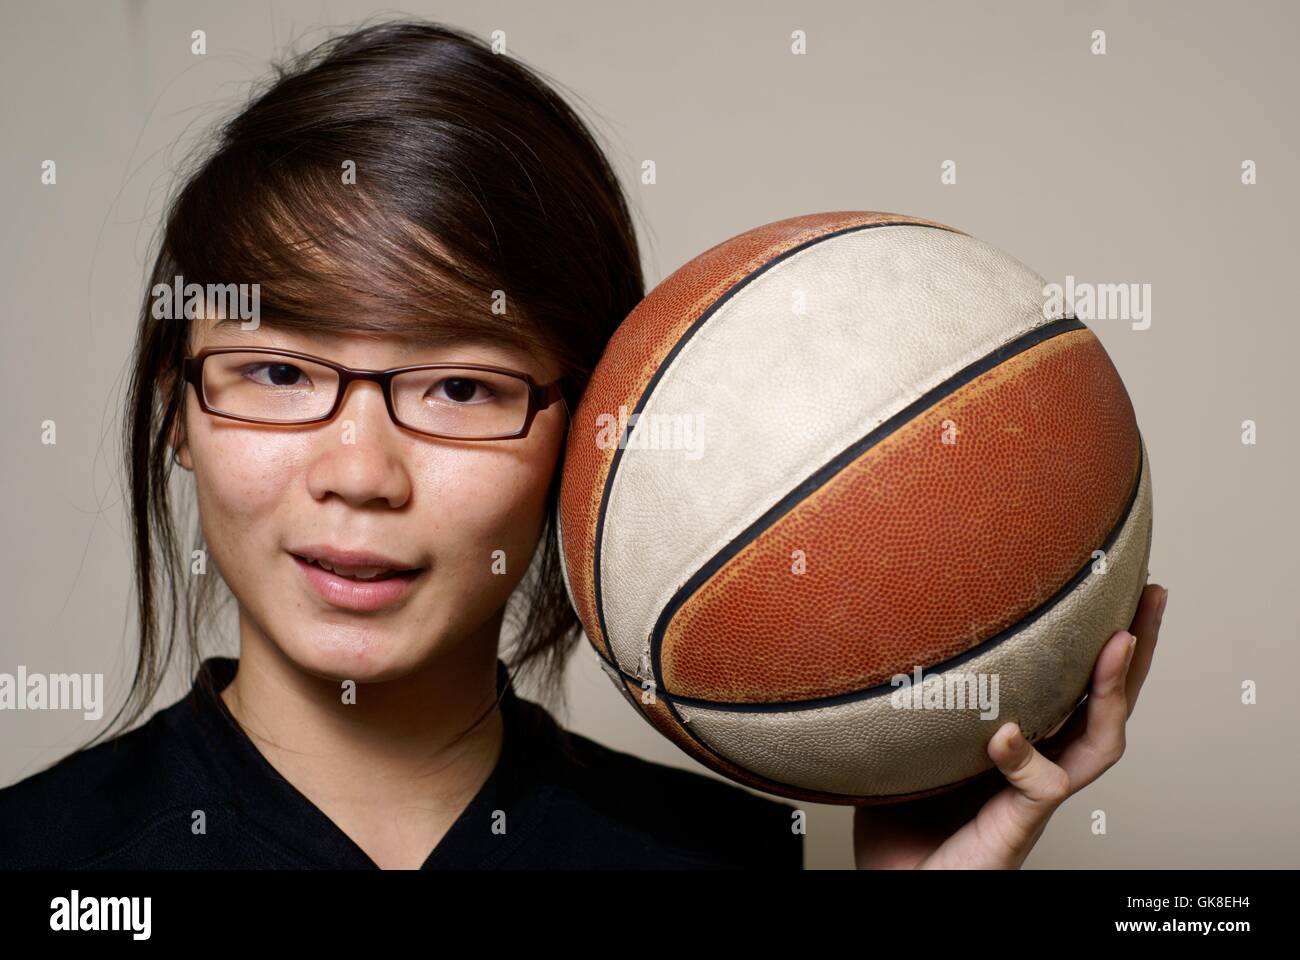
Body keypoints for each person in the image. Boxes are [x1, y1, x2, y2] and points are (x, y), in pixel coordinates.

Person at [0, 19, 1167, 870]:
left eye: (460, 386)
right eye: (276, 371)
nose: (357, 473)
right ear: (179, 417)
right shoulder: (44, 861)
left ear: (595, 435)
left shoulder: (728, 860)